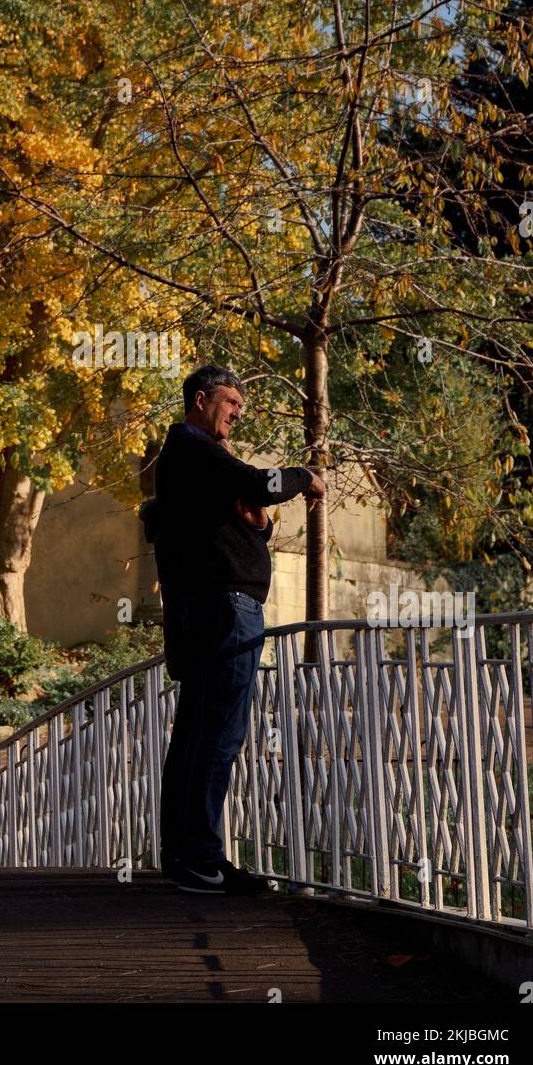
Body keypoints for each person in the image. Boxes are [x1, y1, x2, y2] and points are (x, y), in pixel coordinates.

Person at [139, 364, 325, 895]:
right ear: (201, 400)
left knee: (196, 733)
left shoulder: (188, 462)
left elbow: (243, 512)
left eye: (240, 407)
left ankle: (188, 859)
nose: (237, 414)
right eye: (230, 403)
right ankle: (200, 859)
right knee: (219, 733)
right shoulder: (195, 451)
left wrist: (259, 523)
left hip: (202, 610)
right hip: (223, 611)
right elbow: (260, 483)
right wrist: (304, 477)